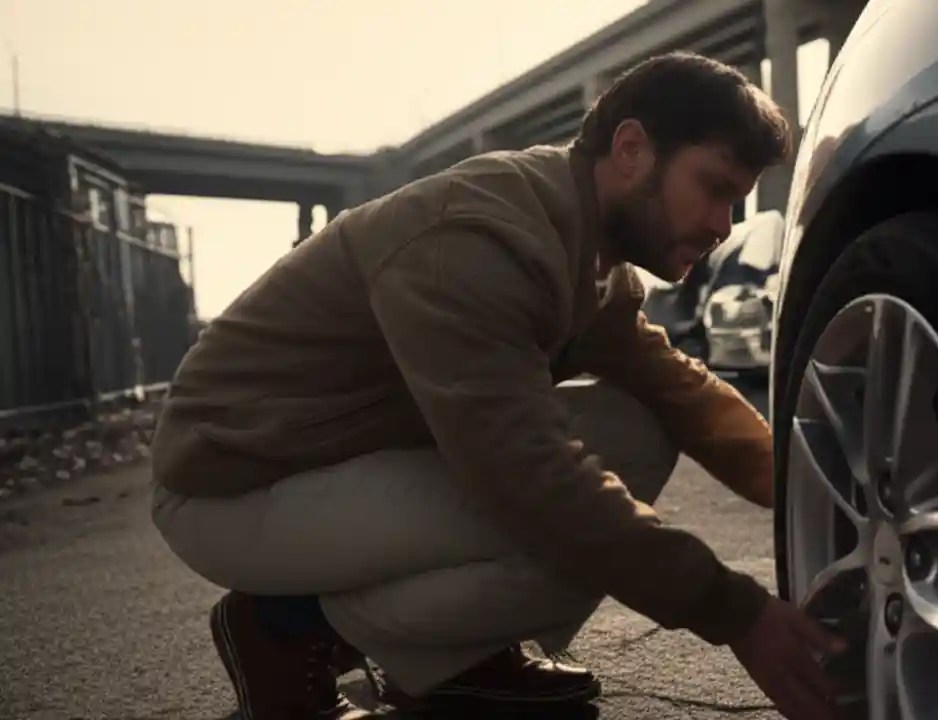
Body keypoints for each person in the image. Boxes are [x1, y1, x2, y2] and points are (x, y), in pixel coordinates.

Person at [150, 51, 847, 720]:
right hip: (235, 482)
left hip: (338, 460)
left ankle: (453, 668)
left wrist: (821, 496)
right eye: (715, 187)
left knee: (637, 430)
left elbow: (683, 393)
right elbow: (531, 477)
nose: (723, 225)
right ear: (631, 149)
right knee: (564, 524)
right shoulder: (477, 239)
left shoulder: (590, 256)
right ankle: (287, 624)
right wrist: (737, 613)